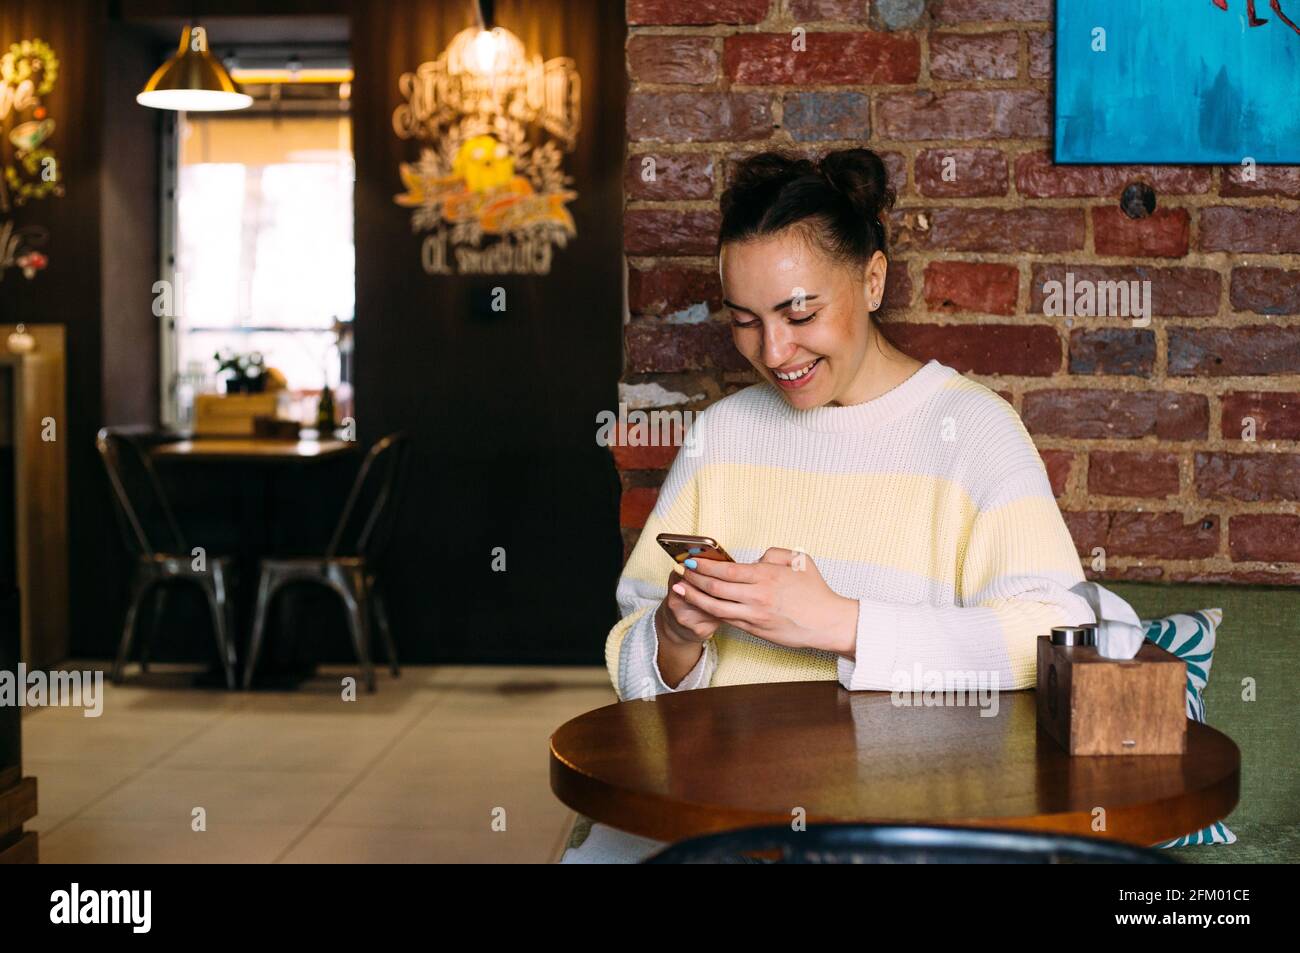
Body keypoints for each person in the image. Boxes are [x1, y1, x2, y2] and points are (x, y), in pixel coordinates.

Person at [560, 148, 1097, 863]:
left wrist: (841, 623)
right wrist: (676, 635)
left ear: (873, 279)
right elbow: (634, 667)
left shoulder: (972, 429)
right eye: (744, 320)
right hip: (711, 818)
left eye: (799, 312)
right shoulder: (724, 433)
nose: (774, 350)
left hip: (894, 829)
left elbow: (1059, 631)